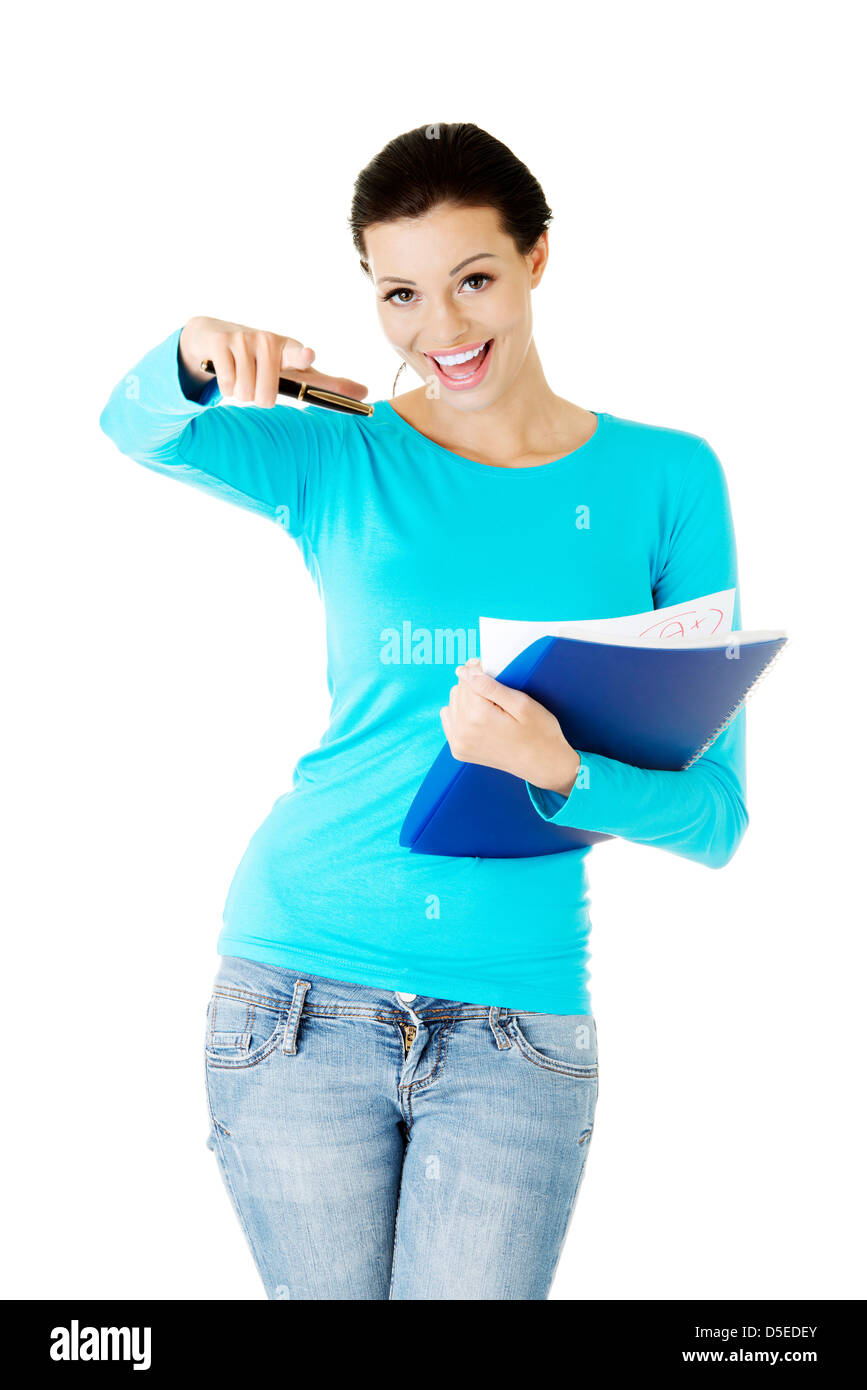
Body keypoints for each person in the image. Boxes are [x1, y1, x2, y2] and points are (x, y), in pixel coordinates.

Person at [98, 122, 748, 1300]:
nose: (439, 331)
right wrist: (190, 351)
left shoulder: (667, 479)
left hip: (519, 1024)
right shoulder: (342, 456)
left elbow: (716, 818)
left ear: (538, 259)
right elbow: (133, 427)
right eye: (401, 293)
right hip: (294, 997)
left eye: (475, 280)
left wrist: (561, 769)